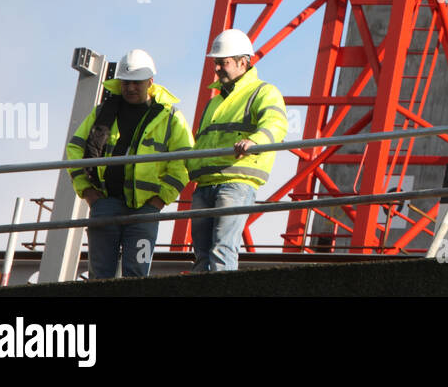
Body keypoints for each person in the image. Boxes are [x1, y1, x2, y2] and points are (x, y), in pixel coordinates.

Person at [66, 49, 194, 279]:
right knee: (99, 276)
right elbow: (74, 149)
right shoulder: (102, 113)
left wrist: (158, 201)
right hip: (105, 203)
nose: (131, 88)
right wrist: (87, 192)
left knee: (136, 278)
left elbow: (182, 163)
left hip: (146, 209)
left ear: (150, 82)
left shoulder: (171, 117)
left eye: (136, 83)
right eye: (126, 83)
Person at [188, 28, 288, 271]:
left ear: (243, 63)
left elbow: (276, 124)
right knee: (201, 254)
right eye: (216, 63)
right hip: (205, 184)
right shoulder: (215, 102)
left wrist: (254, 141)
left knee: (222, 249)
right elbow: (203, 141)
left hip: (235, 180)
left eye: (223, 63)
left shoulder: (263, 92)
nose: (217, 69)